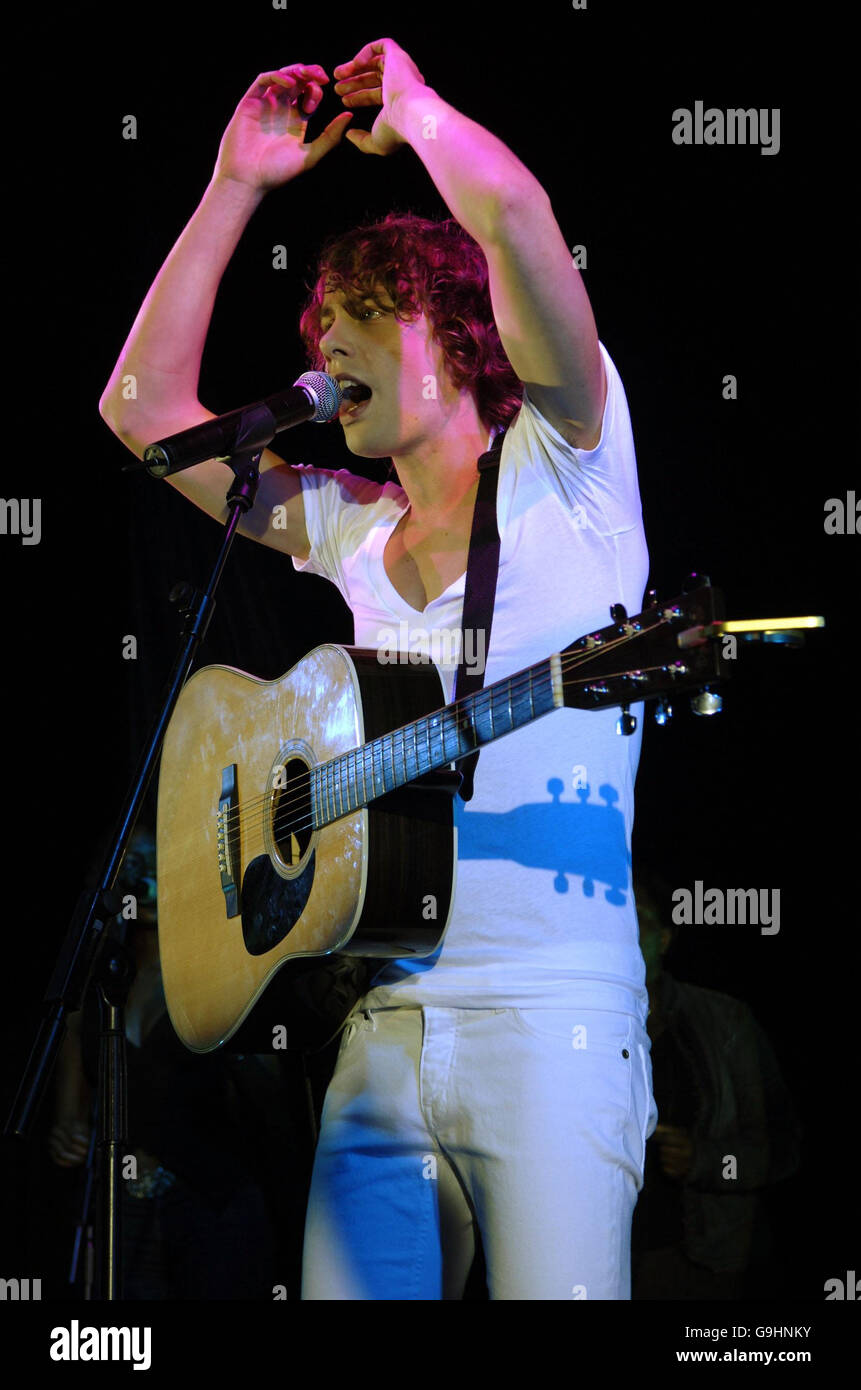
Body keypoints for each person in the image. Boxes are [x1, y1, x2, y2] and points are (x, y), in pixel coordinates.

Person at [99, 38, 658, 1300]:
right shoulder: (344, 524)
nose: (327, 340)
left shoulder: (572, 464)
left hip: (554, 1022)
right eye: (322, 321)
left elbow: (517, 214)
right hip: (383, 1024)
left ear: (460, 336)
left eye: (363, 314)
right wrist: (234, 187)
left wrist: (416, 110)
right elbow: (139, 413)